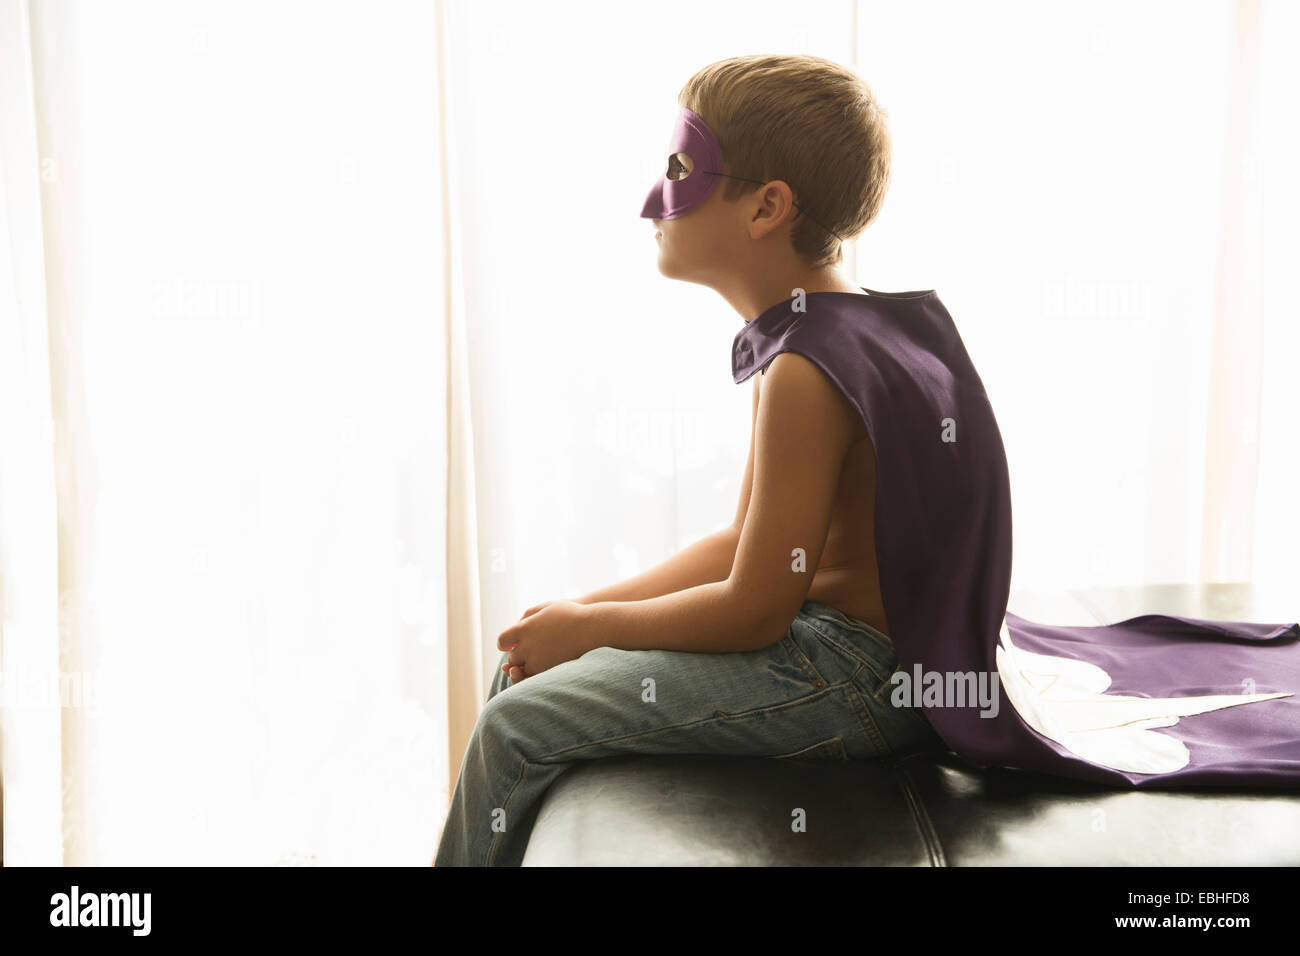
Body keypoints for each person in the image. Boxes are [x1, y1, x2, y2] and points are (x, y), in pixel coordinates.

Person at [432, 54, 950, 867]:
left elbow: (755, 609)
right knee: (521, 669)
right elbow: (743, 542)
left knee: (513, 724)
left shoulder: (807, 367)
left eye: (679, 169)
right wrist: (577, 613)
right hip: (849, 650)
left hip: (858, 679)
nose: (652, 198)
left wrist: (593, 630)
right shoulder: (820, 332)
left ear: (767, 207)